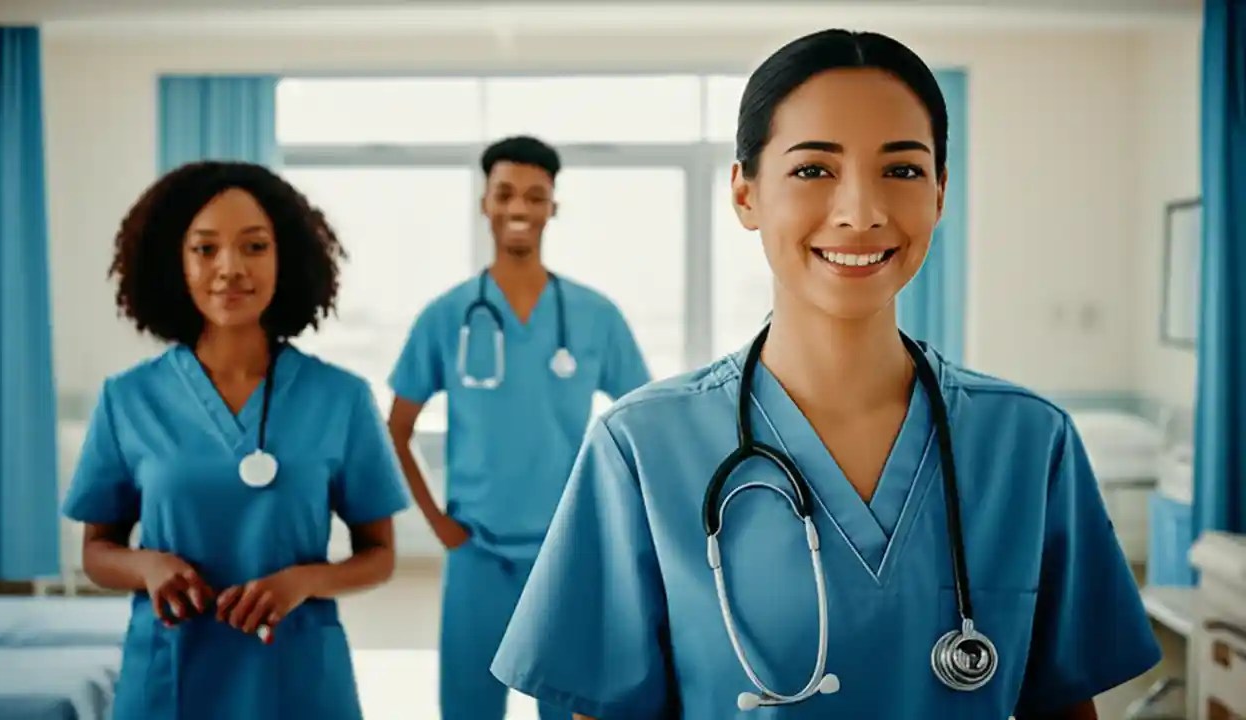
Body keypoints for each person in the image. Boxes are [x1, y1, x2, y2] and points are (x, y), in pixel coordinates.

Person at [489, 29, 1161, 719]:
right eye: (814, 170)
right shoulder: (641, 450)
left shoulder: (1028, 444)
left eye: (900, 170)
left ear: (939, 193)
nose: (861, 212)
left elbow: (1065, 704)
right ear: (745, 194)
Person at [62, 161, 410, 719]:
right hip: (172, 677)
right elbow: (98, 552)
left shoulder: (340, 398)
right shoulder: (129, 399)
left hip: (294, 676)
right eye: (205, 249)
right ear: (174, 261)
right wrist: (148, 568)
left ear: (285, 258)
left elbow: (379, 555)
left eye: (254, 247)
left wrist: (303, 581)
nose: (230, 268)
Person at [387, 135, 652, 720]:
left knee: (568, 705)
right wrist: (437, 523)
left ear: (553, 208)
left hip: (567, 551)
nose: (519, 208)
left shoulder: (594, 315)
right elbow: (397, 428)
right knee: (469, 707)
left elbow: (641, 422)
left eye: (536, 196)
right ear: (484, 202)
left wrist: (616, 524)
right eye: (505, 193)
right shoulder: (446, 315)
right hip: (476, 552)